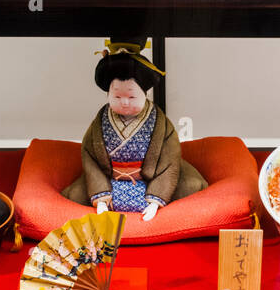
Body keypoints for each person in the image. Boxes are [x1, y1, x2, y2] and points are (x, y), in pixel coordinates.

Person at [63, 38, 206, 222]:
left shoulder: (159, 122)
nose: (124, 102)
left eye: (131, 96)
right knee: (73, 196)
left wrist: (155, 201)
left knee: (192, 187)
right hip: (108, 182)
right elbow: (90, 157)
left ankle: (157, 199)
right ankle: (102, 198)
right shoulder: (100, 122)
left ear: (144, 94)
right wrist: (100, 199)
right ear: (108, 94)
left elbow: (170, 160)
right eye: (117, 95)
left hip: (150, 181)